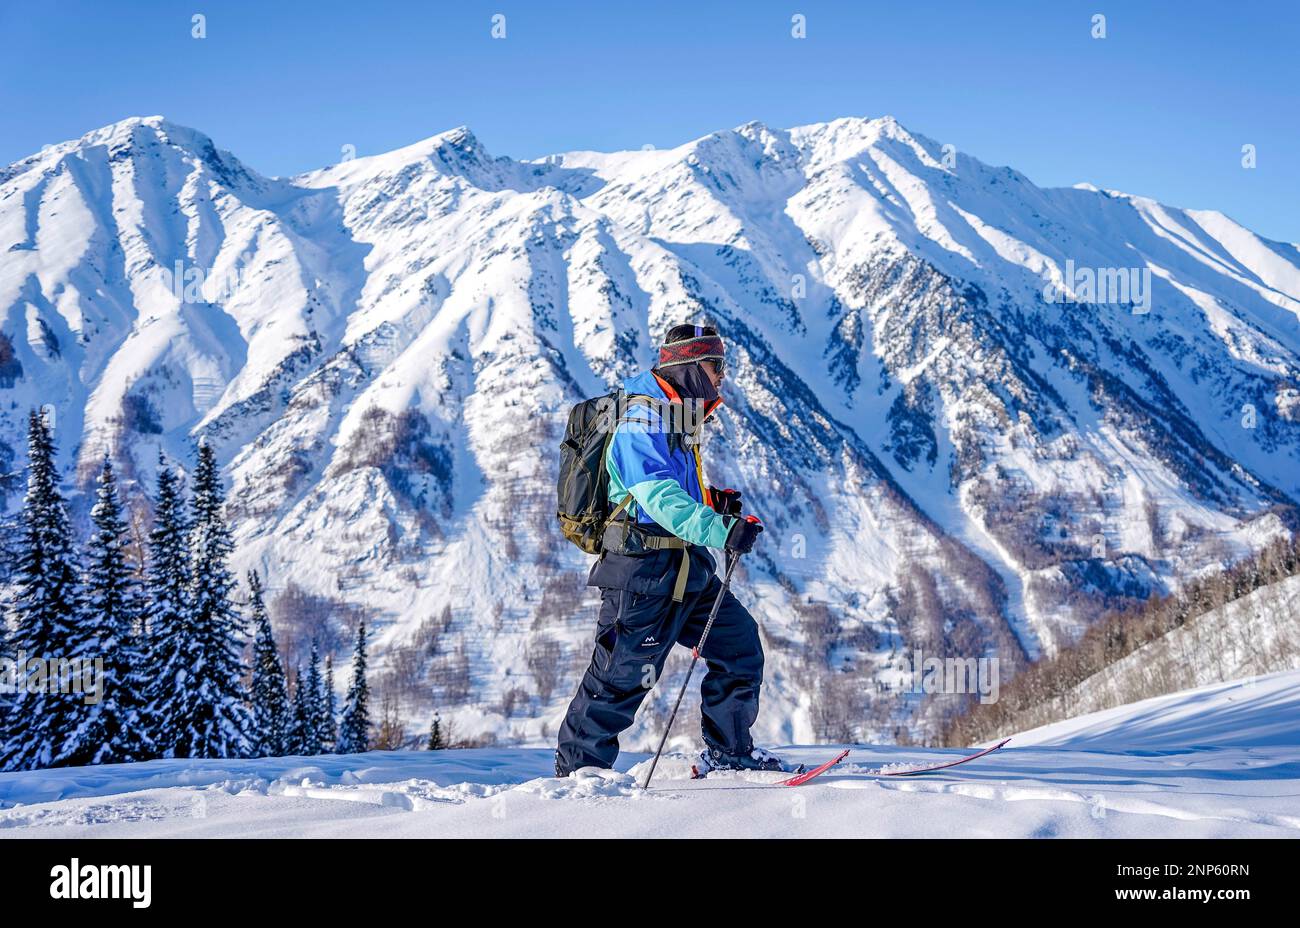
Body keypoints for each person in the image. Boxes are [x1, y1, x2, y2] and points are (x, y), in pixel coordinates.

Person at [554, 323, 780, 777]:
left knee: (738, 648)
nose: (723, 376)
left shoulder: (676, 413)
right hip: (642, 573)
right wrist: (717, 528)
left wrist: (713, 502)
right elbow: (656, 494)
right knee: (617, 682)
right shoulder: (643, 417)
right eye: (716, 366)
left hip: (687, 569)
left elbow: (671, 490)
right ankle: (577, 781)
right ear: (691, 367)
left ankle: (729, 754)